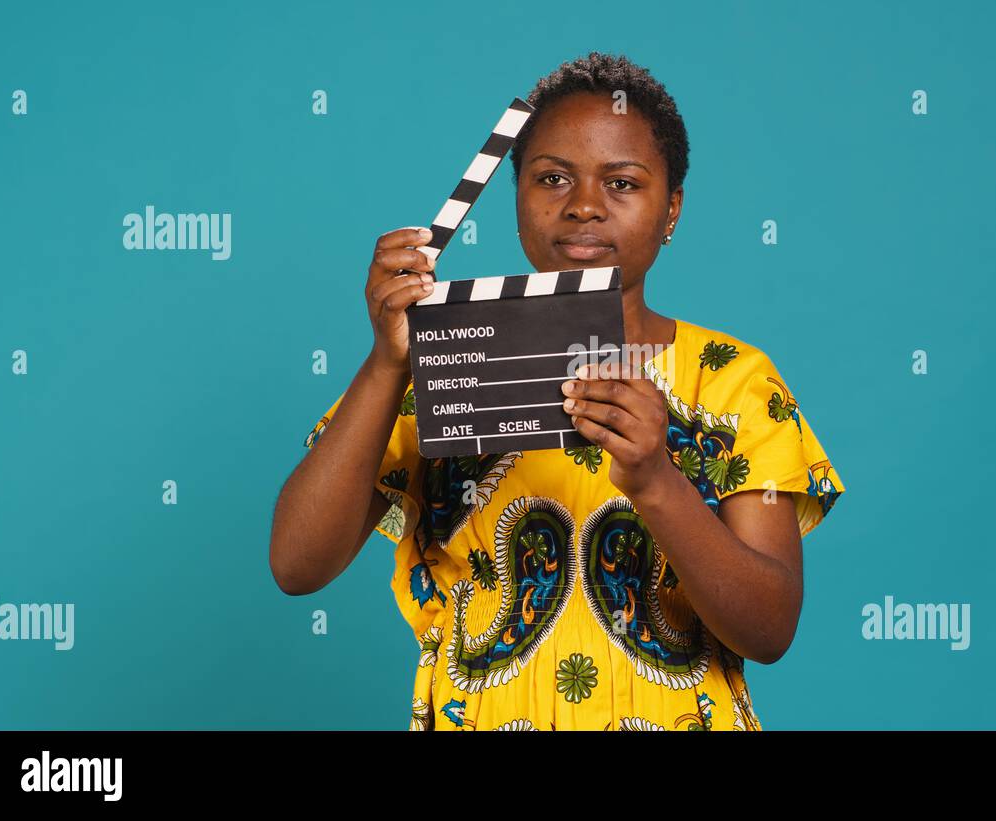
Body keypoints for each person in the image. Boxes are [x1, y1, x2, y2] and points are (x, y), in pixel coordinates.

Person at [270, 52, 844, 731]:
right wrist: (386, 361)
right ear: (515, 197)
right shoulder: (446, 360)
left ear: (672, 208)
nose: (584, 205)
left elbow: (770, 626)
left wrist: (658, 480)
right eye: (551, 178)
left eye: (623, 182)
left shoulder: (734, 377)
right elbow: (297, 563)